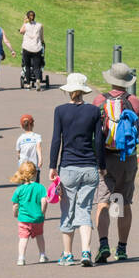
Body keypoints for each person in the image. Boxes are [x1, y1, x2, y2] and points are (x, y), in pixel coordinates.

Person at [49, 72, 105, 267]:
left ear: (69, 90)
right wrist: (102, 165)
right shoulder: (93, 111)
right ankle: (86, 251)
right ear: (84, 91)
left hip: (68, 167)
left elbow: (57, 139)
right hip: (89, 166)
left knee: (67, 211)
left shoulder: (60, 111)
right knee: (84, 211)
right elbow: (98, 140)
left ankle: (67, 254)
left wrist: (52, 166)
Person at [91, 62, 139, 264]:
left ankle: (103, 242)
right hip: (127, 157)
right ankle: (121, 247)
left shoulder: (99, 100)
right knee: (123, 201)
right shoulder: (135, 102)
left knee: (103, 201)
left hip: (105, 157)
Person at [10, 161, 50, 265]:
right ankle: (42, 255)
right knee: (40, 236)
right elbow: (44, 201)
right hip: (38, 218)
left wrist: (15, 214)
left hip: (23, 219)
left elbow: (15, 205)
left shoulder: (19, 189)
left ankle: (21, 258)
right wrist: (43, 212)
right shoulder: (40, 187)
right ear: (35, 174)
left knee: (23, 238)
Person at [20, 9, 45, 90]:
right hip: (36, 48)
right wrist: (42, 42)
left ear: (27, 17)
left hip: (27, 48)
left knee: (27, 66)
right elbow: (41, 37)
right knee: (36, 66)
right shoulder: (40, 25)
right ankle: (37, 79)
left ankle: (28, 84)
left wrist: (24, 22)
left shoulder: (26, 25)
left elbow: (21, 31)